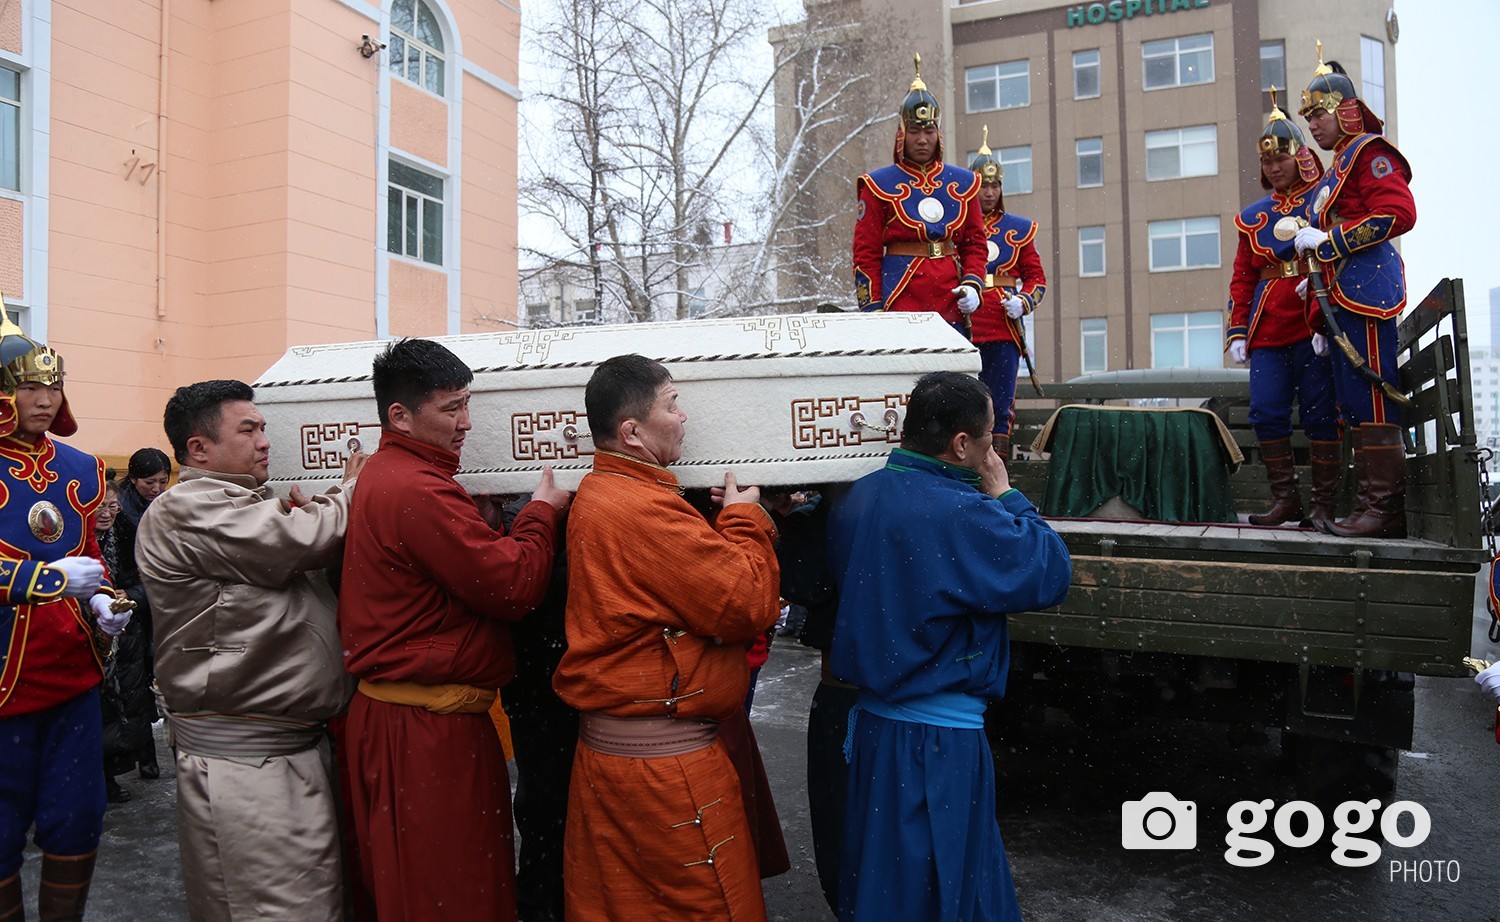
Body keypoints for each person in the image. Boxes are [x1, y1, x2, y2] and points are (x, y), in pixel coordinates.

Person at [338, 338, 568, 922]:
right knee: (448, 892)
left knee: (428, 884)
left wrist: (483, 521)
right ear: (400, 415)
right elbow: (512, 587)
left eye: (468, 404)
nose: (467, 423)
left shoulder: (392, 474)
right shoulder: (417, 487)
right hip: (421, 730)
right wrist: (540, 510)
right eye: (451, 409)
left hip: (410, 718)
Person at [827, 371, 1071, 922]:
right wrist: (1007, 493)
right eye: (989, 441)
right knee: (944, 885)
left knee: (885, 883)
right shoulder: (962, 511)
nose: (992, 452)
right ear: (962, 444)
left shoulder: (857, 495)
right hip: (936, 742)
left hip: (872, 726)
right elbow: (1051, 571)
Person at [551, 354, 781, 920]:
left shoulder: (600, 492)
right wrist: (744, 518)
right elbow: (747, 602)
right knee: (707, 907)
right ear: (632, 432)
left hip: (614, 760)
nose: (684, 416)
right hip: (663, 770)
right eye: (671, 403)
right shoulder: (637, 508)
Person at [134, 379, 362, 921]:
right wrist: (356, 487)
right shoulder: (184, 509)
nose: (265, 441)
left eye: (264, 428)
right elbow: (303, 540)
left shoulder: (245, 505)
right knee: (271, 908)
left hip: (289, 748)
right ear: (198, 448)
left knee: (312, 903)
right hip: (241, 761)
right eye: (248, 429)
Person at [0, 304, 127, 922]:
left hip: (71, 675)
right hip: (2, 681)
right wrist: (43, 578)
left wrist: (103, 601)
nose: (45, 399)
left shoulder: (81, 469)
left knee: (77, 815)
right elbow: (56, 569)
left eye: (53, 386)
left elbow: (88, 557)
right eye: (29, 386)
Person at [1295, 47, 1415, 538]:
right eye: (1308, 117)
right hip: (1344, 293)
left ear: (1342, 109)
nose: (1313, 125)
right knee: (1351, 403)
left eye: (1317, 114)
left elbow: (1398, 214)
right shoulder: (1337, 166)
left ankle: (1382, 509)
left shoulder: (1370, 152)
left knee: (1371, 398)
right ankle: (1369, 504)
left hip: (1368, 290)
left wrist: (1332, 242)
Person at [1225, 91, 1339, 528]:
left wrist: (1329, 318)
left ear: (1300, 155)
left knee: (1320, 411)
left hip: (1314, 318)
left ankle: (1324, 506)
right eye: (1267, 162)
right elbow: (1242, 278)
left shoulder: (1325, 197)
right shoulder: (1253, 216)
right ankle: (1286, 500)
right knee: (1267, 410)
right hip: (1268, 325)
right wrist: (1237, 331)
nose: (1274, 168)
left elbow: (1336, 256)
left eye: (1282, 158)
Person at [852, 54, 985, 330]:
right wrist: (872, 307)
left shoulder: (964, 182)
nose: (922, 139)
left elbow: (974, 243)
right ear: (902, 133)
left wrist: (973, 284)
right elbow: (866, 252)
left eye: (929, 130)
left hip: (951, 300)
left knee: (954, 373)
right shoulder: (877, 185)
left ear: (938, 133)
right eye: (914, 131)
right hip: (900, 298)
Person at [968, 127, 1047, 458]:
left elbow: (1037, 279)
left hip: (1003, 328)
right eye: (984, 185)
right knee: (965, 406)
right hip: (966, 329)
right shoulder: (958, 225)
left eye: (995, 185)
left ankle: (997, 472)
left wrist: (1023, 301)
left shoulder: (1018, 228)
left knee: (1000, 406)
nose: (989, 192)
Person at [112, 446, 172, 779]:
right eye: (150, 482)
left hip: (157, 601)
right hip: (135, 606)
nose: (157, 488)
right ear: (133, 479)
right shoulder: (120, 511)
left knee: (159, 678)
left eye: (163, 481)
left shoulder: (165, 503)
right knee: (137, 684)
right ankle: (146, 757)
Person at [96, 479, 151, 805]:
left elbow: (151, 583)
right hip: (91, 637)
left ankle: (116, 771)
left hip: (128, 636)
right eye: (99, 506)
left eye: (112, 506)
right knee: (98, 709)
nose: (106, 513)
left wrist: (129, 595)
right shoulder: (72, 541)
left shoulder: (130, 534)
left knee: (126, 707)